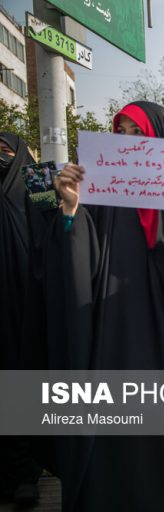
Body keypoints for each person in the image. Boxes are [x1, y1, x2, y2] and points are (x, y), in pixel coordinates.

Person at [49, 101, 164, 512]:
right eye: (123, 133)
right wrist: (70, 210)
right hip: (112, 340)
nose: (130, 142)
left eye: (139, 133)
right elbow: (79, 263)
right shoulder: (99, 198)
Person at [0, 133, 46, 507]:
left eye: (5, 150)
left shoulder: (37, 185)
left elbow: (60, 238)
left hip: (29, 306)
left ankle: (25, 471)